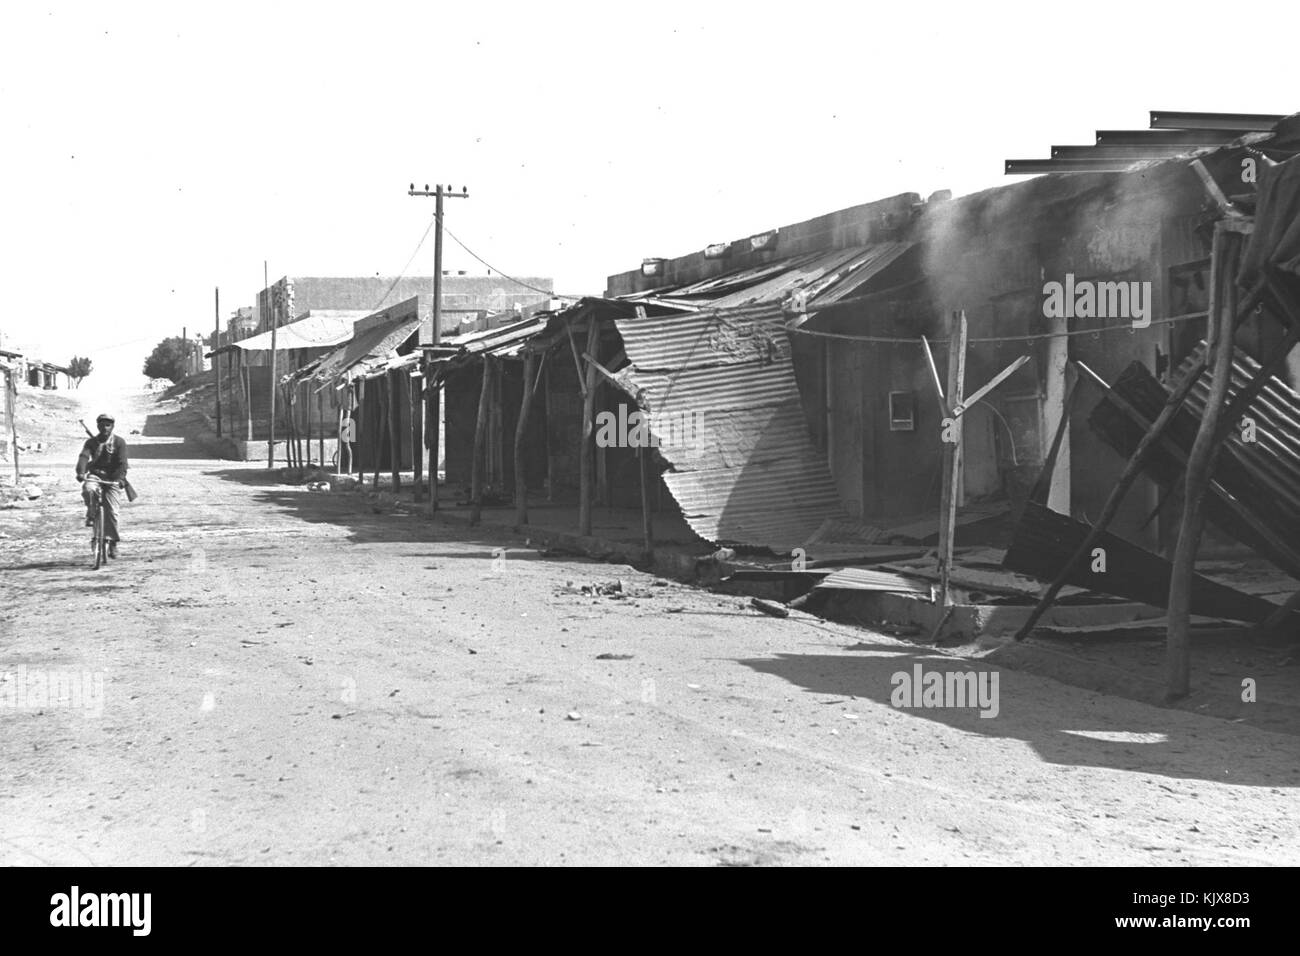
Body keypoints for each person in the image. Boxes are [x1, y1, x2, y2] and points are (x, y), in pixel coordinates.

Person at [76, 413, 129, 558]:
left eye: (108, 425)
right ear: (97, 426)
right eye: (102, 425)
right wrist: (81, 472)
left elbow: (123, 463)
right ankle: (91, 512)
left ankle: (113, 543)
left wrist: (120, 479)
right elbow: (84, 457)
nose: (105, 427)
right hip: (96, 475)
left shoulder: (119, 442)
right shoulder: (91, 442)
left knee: (112, 512)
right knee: (88, 489)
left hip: (113, 478)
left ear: (112, 426)